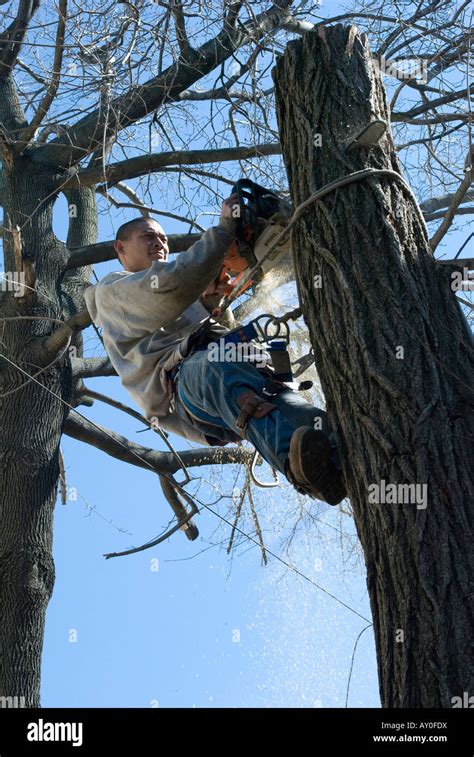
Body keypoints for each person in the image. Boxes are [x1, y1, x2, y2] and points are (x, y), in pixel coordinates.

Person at [84, 194, 347, 505]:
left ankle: (336, 472)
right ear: (121, 248)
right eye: (148, 236)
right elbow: (169, 289)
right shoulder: (112, 290)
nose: (160, 243)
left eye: (164, 239)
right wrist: (223, 231)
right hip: (189, 384)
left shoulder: (181, 301)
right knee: (216, 365)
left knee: (318, 424)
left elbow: (191, 314)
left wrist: (209, 302)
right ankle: (297, 468)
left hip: (242, 382)